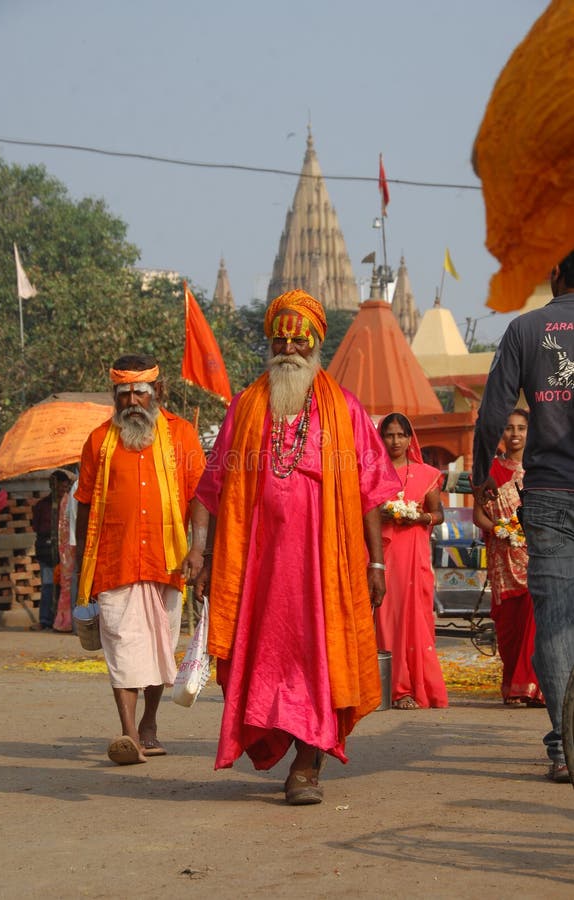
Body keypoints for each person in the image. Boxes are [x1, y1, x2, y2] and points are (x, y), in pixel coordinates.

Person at [185, 289, 400, 805]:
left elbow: (370, 493)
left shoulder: (344, 409)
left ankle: (307, 765)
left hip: (326, 566)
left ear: (316, 345)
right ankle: (279, 739)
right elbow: (212, 487)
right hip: (259, 567)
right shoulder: (247, 405)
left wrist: (375, 560)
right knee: (268, 661)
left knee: (320, 660)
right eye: (279, 339)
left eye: (298, 341)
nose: (288, 349)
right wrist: (199, 551)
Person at [472, 249, 574, 784]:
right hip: (552, 495)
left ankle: (564, 747)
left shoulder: (526, 330)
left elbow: (494, 410)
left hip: (551, 493)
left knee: (555, 624)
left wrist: (479, 472)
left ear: (556, 276)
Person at [75, 354, 206, 765]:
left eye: (140, 393)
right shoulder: (98, 440)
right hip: (113, 561)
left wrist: (200, 549)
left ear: (157, 393)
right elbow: (82, 505)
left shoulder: (182, 435)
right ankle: (128, 734)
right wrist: (82, 564)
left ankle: (149, 724)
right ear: (115, 396)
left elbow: (201, 497)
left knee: (159, 648)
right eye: (124, 394)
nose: (132, 401)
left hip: (167, 562)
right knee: (121, 644)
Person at [375, 413, 448, 710]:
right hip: (381, 554)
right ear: (381, 439)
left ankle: (408, 687)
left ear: (409, 438)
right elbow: (358, 511)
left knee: (412, 617)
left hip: (413, 555)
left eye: (400, 435)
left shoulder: (426, 473)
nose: (395, 441)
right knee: (383, 617)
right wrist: (380, 515)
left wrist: (420, 517)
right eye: (389, 435)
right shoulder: (370, 472)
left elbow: (438, 514)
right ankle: (384, 686)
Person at [473, 409, 544, 707]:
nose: (515, 434)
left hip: (536, 555)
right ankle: (512, 686)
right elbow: (478, 514)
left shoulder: (543, 469)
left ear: (531, 431)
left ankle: (533, 688)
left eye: (521, 428)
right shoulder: (490, 471)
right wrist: (499, 530)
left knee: (535, 617)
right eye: (509, 428)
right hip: (503, 556)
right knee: (510, 626)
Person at [31, 470, 73, 631]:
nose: (61, 491)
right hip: (46, 551)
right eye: (58, 487)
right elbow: (37, 527)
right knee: (48, 584)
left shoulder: (70, 504)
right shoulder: (42, 505)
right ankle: (45, 620)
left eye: (64, 487)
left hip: (66, 552)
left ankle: (62, 620)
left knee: (65, 585)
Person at [53, 469, 78, 632]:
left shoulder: (66, 498)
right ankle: (69, 622)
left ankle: (65, 621)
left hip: (67, 545)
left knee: (67, 582)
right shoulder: (71, 495)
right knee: (70, 582)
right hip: (71, 544)